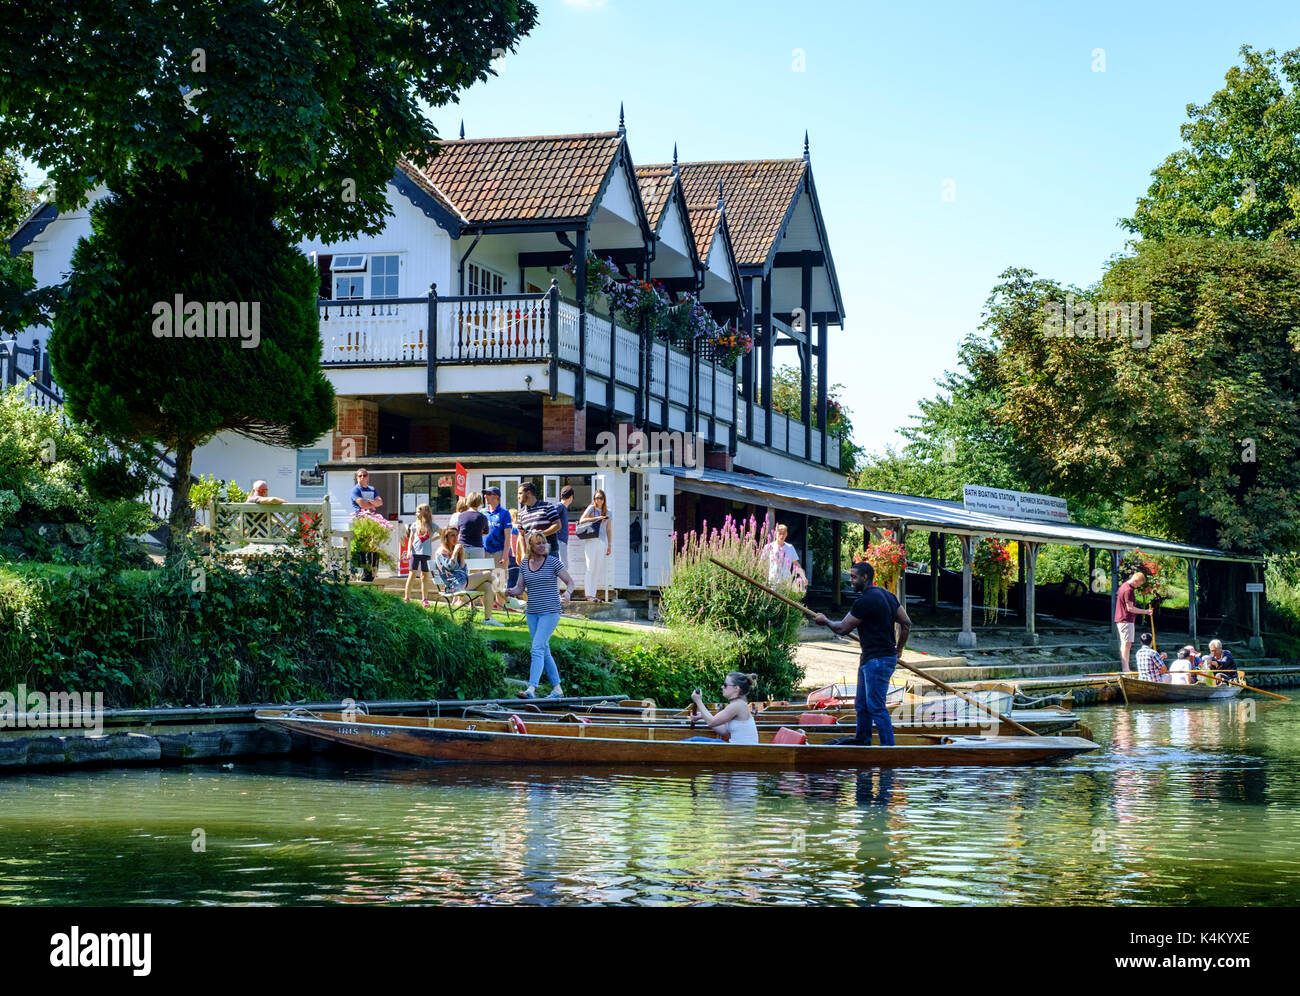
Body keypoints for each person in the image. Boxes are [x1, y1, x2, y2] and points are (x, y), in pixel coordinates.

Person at [813, 561, 912, 746]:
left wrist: (825, 620)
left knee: (875, 706)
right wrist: (899, 649)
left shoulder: (864, 601)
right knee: (862, 705)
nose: (851, 580)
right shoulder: (888, 596)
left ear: (864, 578)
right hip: (874, 658)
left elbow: (842, 628)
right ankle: (862, 740)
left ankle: (889, 751)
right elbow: (906, 623)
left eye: (853, 577)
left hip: (877, 661)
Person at [507, 529, 575, 698]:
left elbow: (570, 582)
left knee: (536, 648)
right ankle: (557, 689)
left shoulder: (553, 562)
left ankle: (531, 688)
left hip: (550, 611)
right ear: (530, 545)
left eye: (543, 542)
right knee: (544, 649)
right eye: (538, 543)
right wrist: (509, 591)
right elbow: (520, 588)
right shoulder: (524, 564)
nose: (542, 545)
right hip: (532, 612)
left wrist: (567, 593)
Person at [432, 525, 502, 626]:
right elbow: (449, 567)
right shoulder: (441, 552)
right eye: (452, 535)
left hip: (462, 582)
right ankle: (505, 596)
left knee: (488, 586)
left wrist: (462, 555)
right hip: (454, 586)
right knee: (487, 573)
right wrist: (455, 553)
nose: (455, 538)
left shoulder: (453, 550)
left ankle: (488, 619)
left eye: (456, 535)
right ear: (445, 537)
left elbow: (464, 570)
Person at [682, 673, 761, 744]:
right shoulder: (739, 704)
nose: (722, 687)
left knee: (692, 741)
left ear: (736, 688)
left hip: (741, 753)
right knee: (695, 740)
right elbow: (723, 731)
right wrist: (703, 716)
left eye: (725, 685)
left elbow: (711, 722)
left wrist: (698, 701)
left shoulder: (737, 705)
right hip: (739, 750)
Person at [483, 487, 523, 611]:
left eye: (488, 494)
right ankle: (487, 609)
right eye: (485, 494)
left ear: (496, 496)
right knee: (484, 582)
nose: (485, 496)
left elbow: (507, 536)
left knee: (499, 583)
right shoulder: (482, 512)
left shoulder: (504, 513)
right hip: (484, 551)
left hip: (499, 552)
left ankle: (500, 609)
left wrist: (505, 555)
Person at [1114, 571, 1153, 673]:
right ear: (1135, 581)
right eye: (1139, 584)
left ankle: (1125, 668)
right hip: (1126, 619)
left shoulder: (1124, 586)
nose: (1138, 586)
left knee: (1127, 644)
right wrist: (1145, 612)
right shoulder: (1128, 590)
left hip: (1124, 619)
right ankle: (1125, 668)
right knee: (1126, 644)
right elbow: (1130, 608)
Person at [578, 489, 612, 601]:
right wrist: (597, 518)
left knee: (597, 569)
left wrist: (609, 545)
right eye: (596, 498)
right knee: (590, 567)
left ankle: (593, 594)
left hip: (602, 541)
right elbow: (582, 520)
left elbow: (608, 530)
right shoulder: (591, 508)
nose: (598, 500)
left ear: (604, 500)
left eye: (601, 498)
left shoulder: (608, 512)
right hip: (591, 539)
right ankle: (588, 595)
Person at [515, 482, 562, 560]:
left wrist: (542, 534)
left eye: (520, 493)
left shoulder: (547, 506)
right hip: (531, 555)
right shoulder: (520, 513)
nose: (518, 496)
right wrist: (523, 553)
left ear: (529, 493)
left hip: (550, 552)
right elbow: (521, 535)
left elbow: (558, 525)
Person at [404, 503, 438, 606]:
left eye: (418, 511)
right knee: (412, 574)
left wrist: (432, 539)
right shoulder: (415, 525)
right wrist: (409, 551)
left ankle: (425, 599)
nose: (416, 513)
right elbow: (411, 539)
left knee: (424, 576)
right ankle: (406, 597)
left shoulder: (432, 526)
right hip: (415, 553)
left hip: (426, 554)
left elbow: (442, 533)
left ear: (425, 512)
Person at [764, 523, 806, 589]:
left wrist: (803, 577)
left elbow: (796, 564)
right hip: (772, 581)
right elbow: (762, 563)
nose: (782, 536)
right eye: (780, 533)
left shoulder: (790, 547)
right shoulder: (768, 547)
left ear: (786, 534)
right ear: (775, 534)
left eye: (783, 533)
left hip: (786, 583)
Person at [460, 491, 488, 559]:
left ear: (468, 501)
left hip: (463, 547)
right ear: (480, 503)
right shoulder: (482, 517)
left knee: (463, 569)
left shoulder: (461, 515)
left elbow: (459, 531)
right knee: (477, 569)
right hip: (477, 548)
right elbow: (485, 533)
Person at [557, 485, 575, 567]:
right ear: (571, 497)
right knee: (562, 567)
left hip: (561, 541)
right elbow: (550, 517)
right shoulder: (560, 506)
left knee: (562, 566)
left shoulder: (562, 507)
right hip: (559, 541)